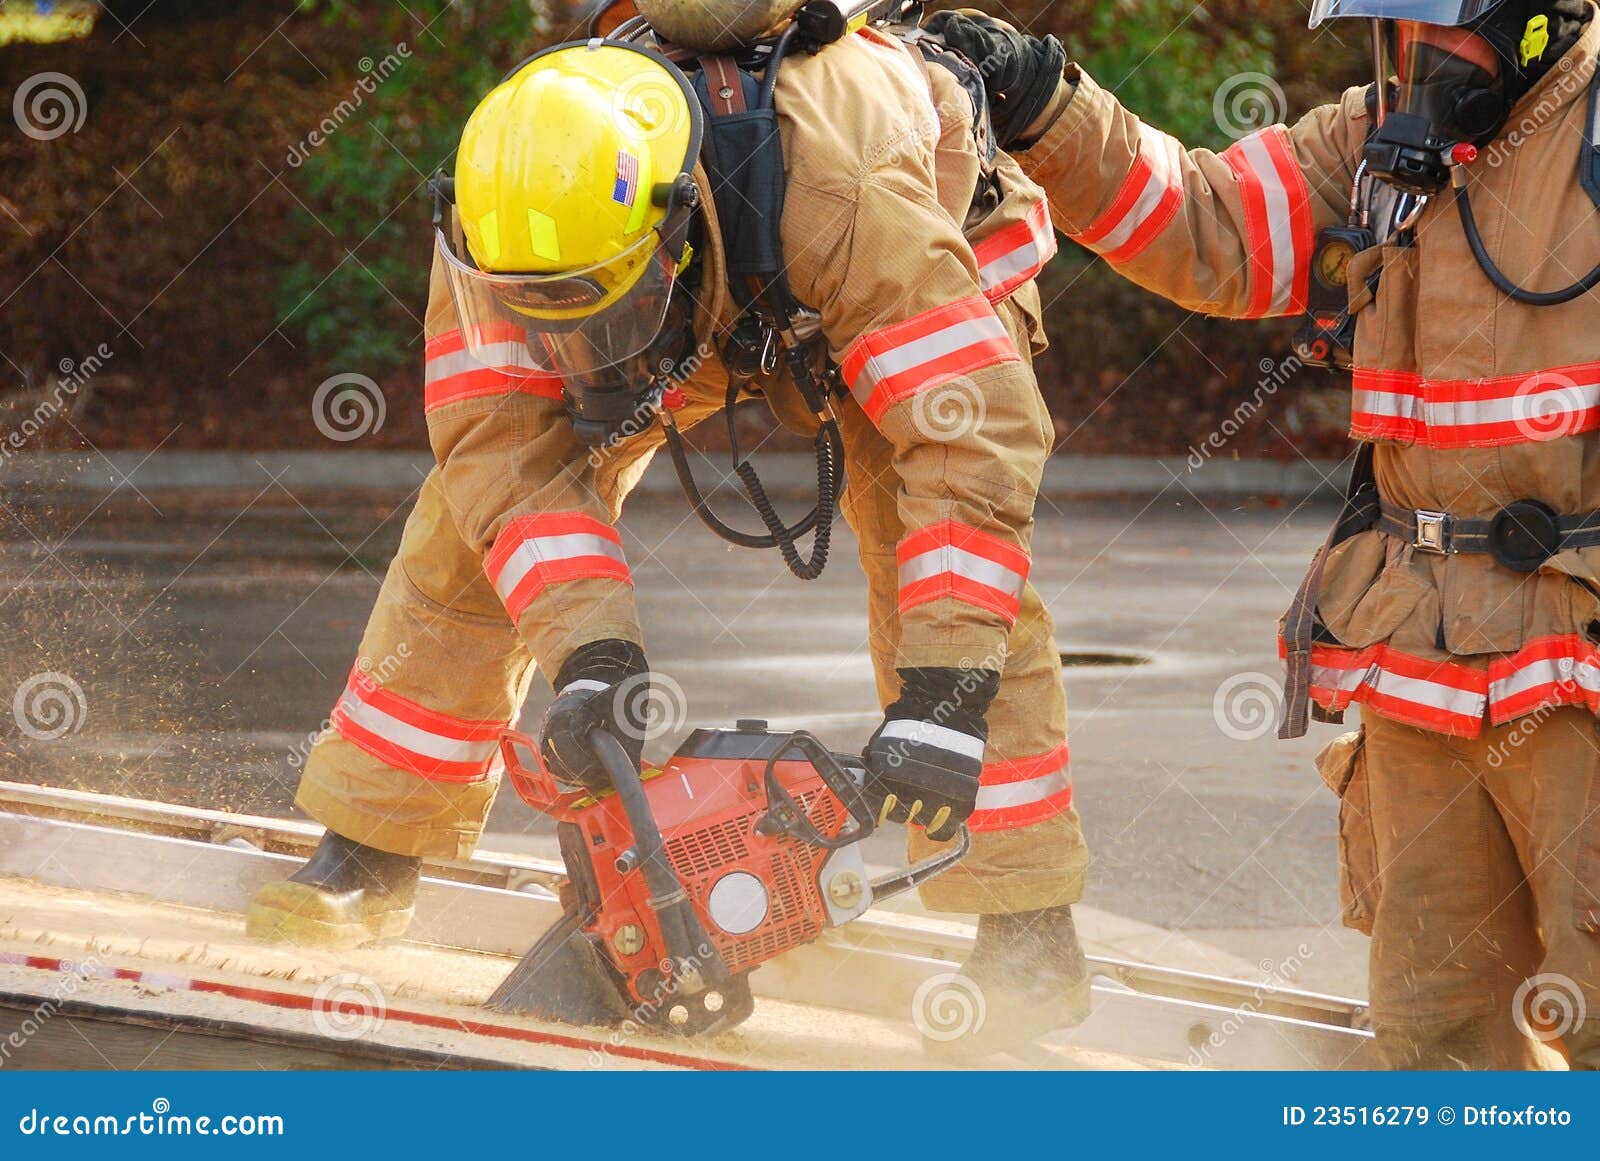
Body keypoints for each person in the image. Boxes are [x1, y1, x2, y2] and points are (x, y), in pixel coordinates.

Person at [247, 8, 1090, 1055]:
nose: (579, 350)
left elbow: (973, 445)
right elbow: (506, 458)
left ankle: (1027, 936)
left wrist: (942, 698)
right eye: (550, 317)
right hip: (701, 302)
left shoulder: (846, 188)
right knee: (461, 533)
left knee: (941, 553)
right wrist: (592, 659)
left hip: (887, 264)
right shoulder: (496, 220)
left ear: (672, 218)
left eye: (596, 312)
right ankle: (371, 848)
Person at [933, 1, 1600, 1067]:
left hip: (1578, 671)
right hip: (1419, 657)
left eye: (1439, 33)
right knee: (1433, 1038)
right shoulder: (1376, 147)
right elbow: (1208, 223)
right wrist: (1042, 102)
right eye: (1396, 33)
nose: (1413, 64)